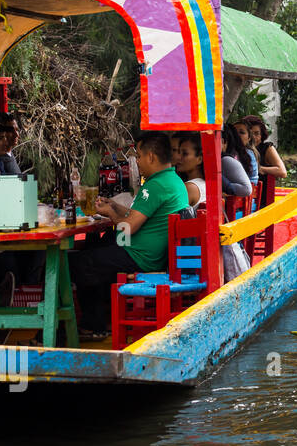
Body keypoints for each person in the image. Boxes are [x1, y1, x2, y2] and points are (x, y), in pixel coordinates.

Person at [70, 132, 191, 338]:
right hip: (149, 251)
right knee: (95, 245)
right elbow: (138, 216)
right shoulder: (173, 181)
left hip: (141, 256)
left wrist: (109, 214)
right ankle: (102, 320)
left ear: (151, 157)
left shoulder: (156, 185)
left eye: (139, 156)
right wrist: (115, 207)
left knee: (80, 263)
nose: (138, 162)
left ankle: (94, 325)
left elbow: (128, 227)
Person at [241, 115, 288, 181]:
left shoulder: (267, 148)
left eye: (256, 133)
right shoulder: (238, 148)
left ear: (262, 135)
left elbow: (282, 172)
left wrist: (260, 169)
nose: (253, 137)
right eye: (250, 134)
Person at [172, 131, 206, 208]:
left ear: (200, 159)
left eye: (185, 154)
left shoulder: (190, 188)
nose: (178, 157)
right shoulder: (205, 184)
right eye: (179, 152)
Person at [221, 125, 255, 199]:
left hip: (244, 203)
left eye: (242, 132)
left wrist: (225, 186)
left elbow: (247, 189)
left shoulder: (226, 160)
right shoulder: (237, 154)